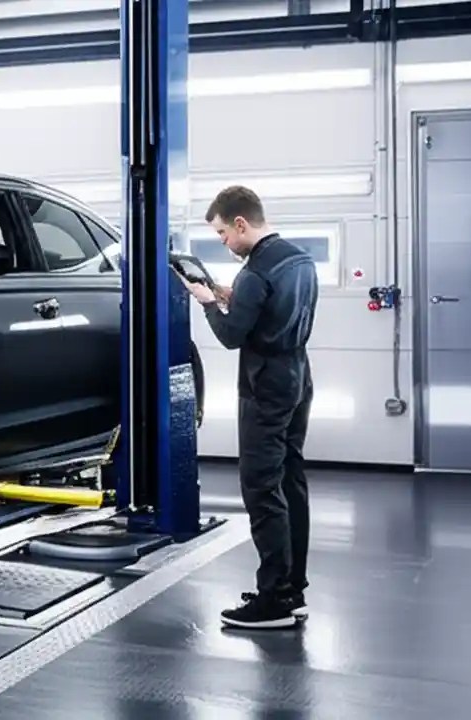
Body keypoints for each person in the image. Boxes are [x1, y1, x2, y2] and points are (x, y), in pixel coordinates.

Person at [180, 185, 318, 629]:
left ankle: (273, 600)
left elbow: (231, 336)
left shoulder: (254, 271)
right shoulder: (298, 259)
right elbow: (270, 311)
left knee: (260, 486)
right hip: (299, 378)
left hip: (265, 387)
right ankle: (292, 588)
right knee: (290, 479)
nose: (223, 242)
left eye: (222, 233)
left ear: (241, 223)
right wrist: (226, 294)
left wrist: (206, 304)